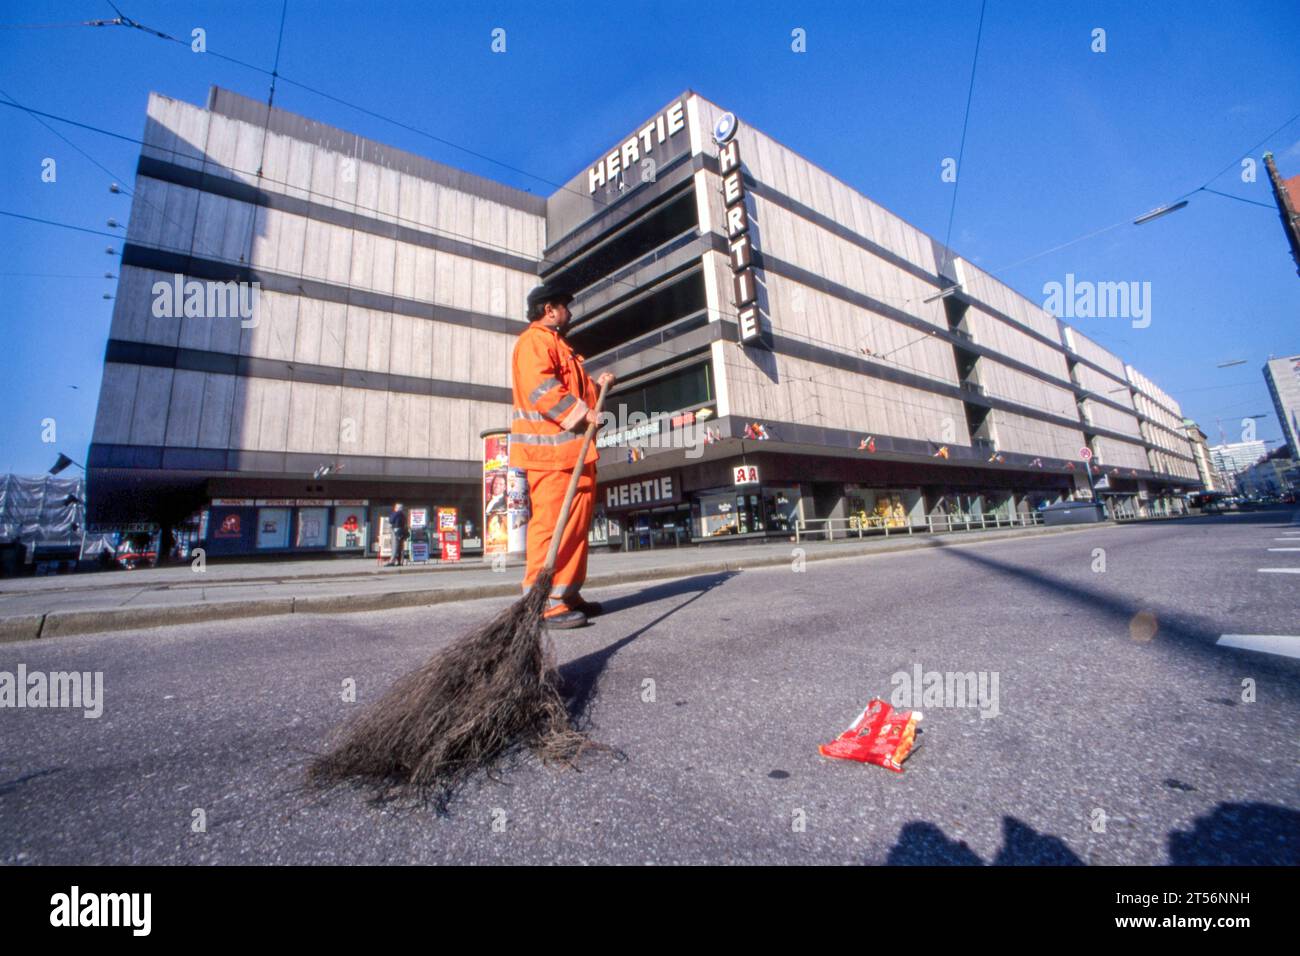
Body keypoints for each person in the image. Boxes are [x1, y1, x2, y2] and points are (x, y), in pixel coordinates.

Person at [510, 280, 614, 629]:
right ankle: (541, 603)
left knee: (574, 528)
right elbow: (543, 389)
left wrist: (597, 389)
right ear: (548, 310)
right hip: (550, 456)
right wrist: (585, 414)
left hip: (574, 454)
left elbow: (576, 394)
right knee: (551, 528)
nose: (570, 312)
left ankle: (566, 593)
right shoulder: (534, 342)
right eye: (564, 306)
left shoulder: (561, 347)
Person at [386, 502, 407, 567]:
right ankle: (400, 561)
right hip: (402, 531)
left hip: (395, 530)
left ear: (397, 508)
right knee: (400, 547)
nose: (394, 508)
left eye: (395, 507)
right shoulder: (403, 514)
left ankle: (392, 561)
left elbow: (391, 520)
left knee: (395, 546)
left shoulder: (396, 513)